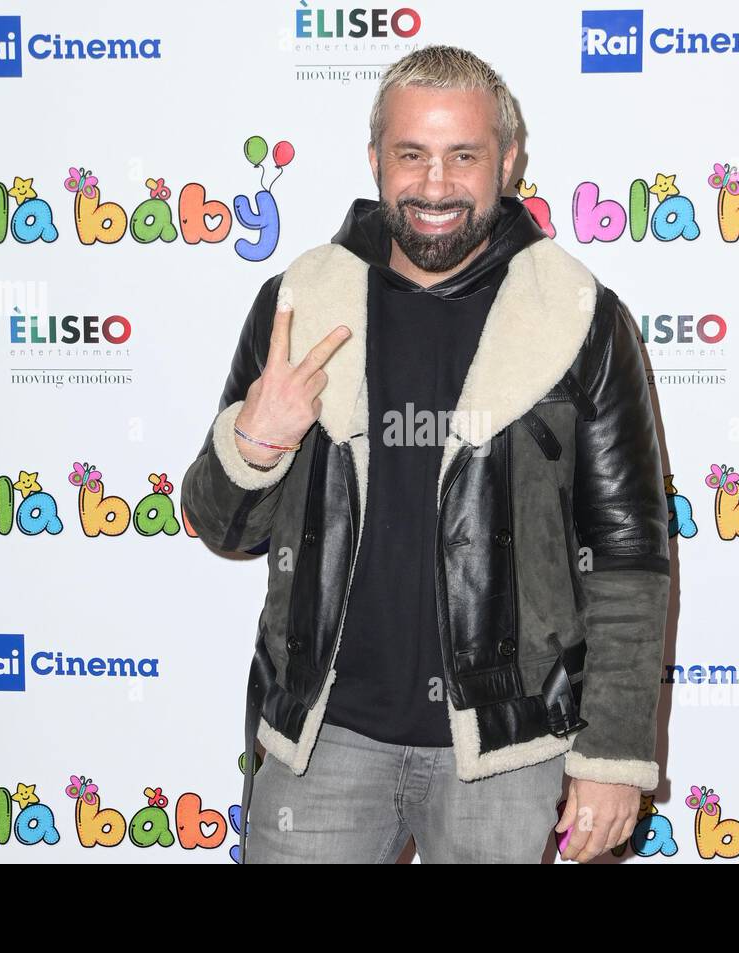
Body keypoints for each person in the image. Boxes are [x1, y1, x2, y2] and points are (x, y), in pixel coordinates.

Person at [181, 44, 672, 864]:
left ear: (508, 161)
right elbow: (220, 523)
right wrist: (255, 440)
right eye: (411, 154)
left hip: (506, 750)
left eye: (463, 156)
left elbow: (627, 556)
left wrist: (615, 755)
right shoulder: (299, 299)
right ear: (375, 158)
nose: (435, 184)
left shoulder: (577, 315)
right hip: (324, 736)